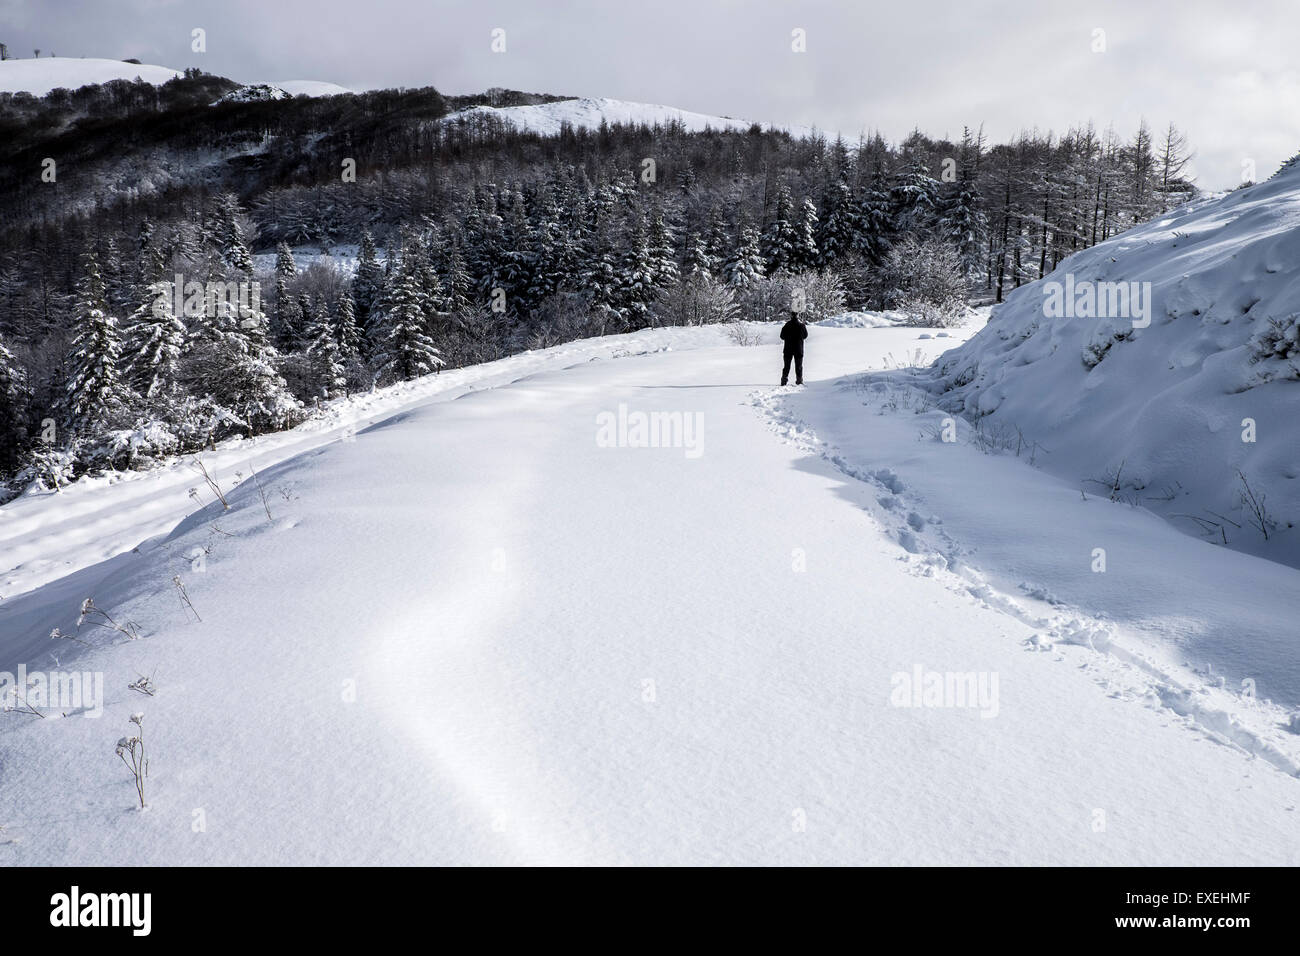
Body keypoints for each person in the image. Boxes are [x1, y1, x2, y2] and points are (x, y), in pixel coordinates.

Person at [779, 311, 808, 385]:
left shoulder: (787, 325)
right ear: (798, 316)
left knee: (786, 366)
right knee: (798, 366)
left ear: (791, 316)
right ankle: (799, 380)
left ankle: (784, 380)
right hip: (798, 349)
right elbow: (805, 336)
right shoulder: (802, 326)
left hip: (788, 349)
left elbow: (782, 336)